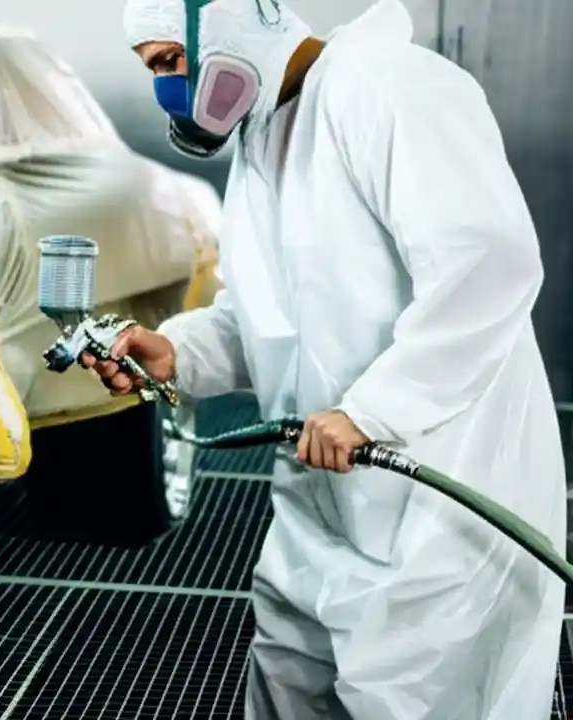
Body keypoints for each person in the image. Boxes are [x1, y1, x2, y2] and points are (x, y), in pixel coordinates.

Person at [92, 0, 566, 717]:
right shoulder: (265, 133)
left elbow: (487, 268)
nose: (167, 88)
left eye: (169, 62)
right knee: (289, 676)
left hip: (437, 489)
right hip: (321, 493)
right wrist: (177, 351)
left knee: (408, 696)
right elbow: (268, 316)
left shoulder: (388, 86)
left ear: (222, 21)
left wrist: (371, 412)